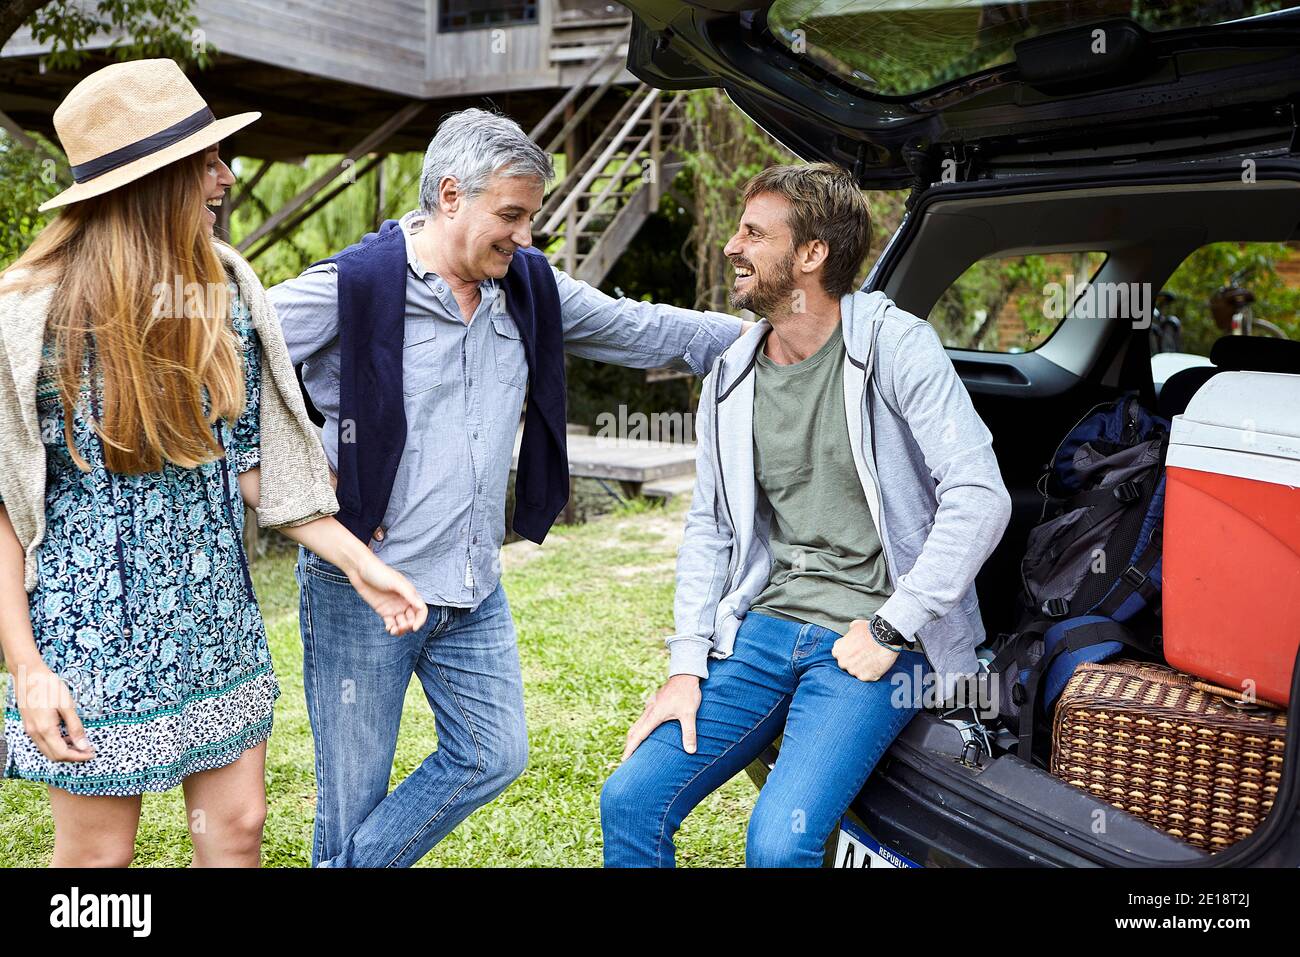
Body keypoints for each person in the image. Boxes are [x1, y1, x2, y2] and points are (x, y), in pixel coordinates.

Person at [268, 107, 748, 867]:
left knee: (494, 753)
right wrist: (299, 466)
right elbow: (218, 361)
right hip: (362, 590)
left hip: (471, 587)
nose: (525, 235)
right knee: (352, 799)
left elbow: (644, 329)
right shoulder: (350, 289)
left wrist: (785, 333)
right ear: (451, 195)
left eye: (532, 218)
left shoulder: (528, 287)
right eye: (513, 215)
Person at [0, 58, 427, 868]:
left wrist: (359, 561)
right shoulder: (27, 317)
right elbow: (6, 505)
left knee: (235, 830)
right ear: (156, 181)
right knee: (98, 859)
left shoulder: (222, 292)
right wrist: (26, 666)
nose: (224, 178)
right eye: (206, 162)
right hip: (89, 635)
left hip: (212, 618)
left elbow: (256, 463)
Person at [600, 163, 1012, 867]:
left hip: (874, 641)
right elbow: (710, 527)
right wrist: (685, 664)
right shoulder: (732, 374)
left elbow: (980, 495)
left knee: (779, 840)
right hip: (765, 626)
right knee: (630, 800)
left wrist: (892, 623)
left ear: (812, 254)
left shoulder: (894, 345)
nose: (733, 245)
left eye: (754, 233)